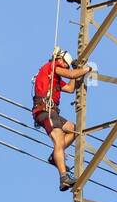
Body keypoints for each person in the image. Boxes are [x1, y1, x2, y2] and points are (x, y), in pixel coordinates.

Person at [32, 48, 91, 191]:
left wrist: (77, 72)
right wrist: (87, 69)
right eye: (65, 64)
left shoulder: (55, 78)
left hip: (52, 112)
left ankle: (55, 155)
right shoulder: (52, 67)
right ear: (59, 59)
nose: (66, 67)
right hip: (45, 111)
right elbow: (71, 73)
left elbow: (71, 88)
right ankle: (64, 178)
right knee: (58, 140)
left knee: (74, 129)